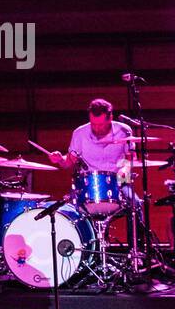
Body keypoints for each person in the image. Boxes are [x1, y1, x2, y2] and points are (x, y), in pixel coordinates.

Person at [47, 98, 144, 242]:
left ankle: (136, 253)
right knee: (72, 211)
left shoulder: (124, 130)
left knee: (137, 204)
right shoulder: (80, 133)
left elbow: (130, 159)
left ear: (110, 118)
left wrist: (124, 170)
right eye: (93, 124)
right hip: (89, 184)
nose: (97, 128)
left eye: (101, 125)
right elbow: (68, 163)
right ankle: (88, 252)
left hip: (118, 181)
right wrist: (60, 159)